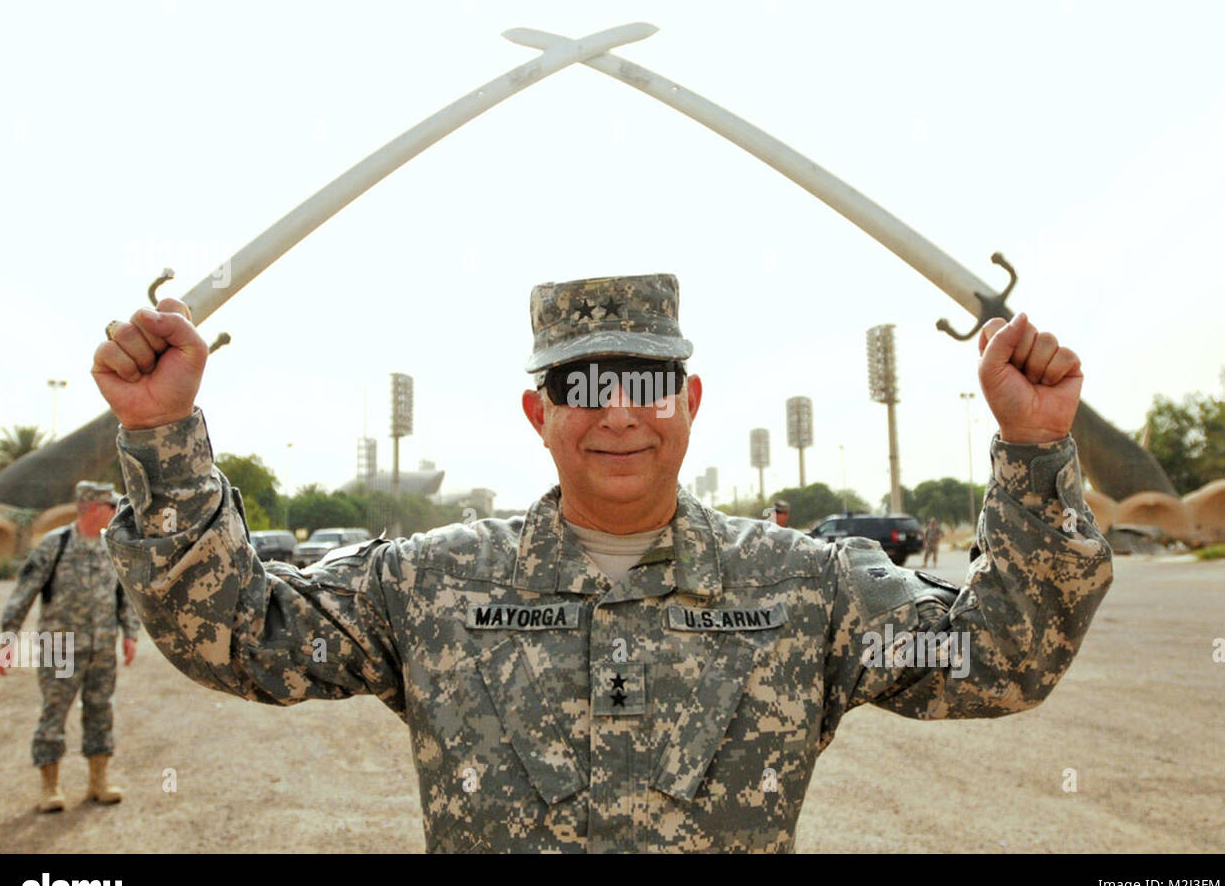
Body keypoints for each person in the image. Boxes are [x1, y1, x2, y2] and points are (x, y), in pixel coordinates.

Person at [92, 274, 1111, 853]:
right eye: (585, 383)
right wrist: (164, 431)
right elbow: (232, 636)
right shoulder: (434, 582)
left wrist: (1034, 455)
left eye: (646, 381)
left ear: (690, 402)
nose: (619, 410)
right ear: (538, 413)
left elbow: (1003, 662)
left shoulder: (806, 586)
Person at [0, 481, 140, 812]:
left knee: (100, 711)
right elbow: (24, 591)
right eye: (110, 506)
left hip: (101, 647)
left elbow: (123, 594)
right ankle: (50, 787)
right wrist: (8, 637)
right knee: (54, 713)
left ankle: (98, 782)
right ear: (93, 508)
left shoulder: (111, 545)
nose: (116, 512)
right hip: (59, 648)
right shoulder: (55, 544)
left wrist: (130, 633)